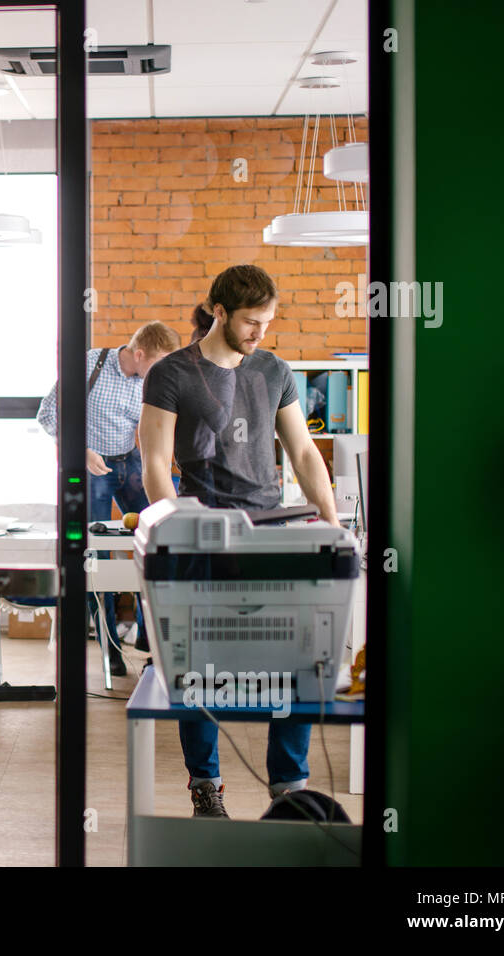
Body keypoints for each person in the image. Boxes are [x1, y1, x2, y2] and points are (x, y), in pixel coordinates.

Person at [138, 264, 339, 818]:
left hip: (270, 534)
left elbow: (302, 453)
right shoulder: (172, 373)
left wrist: (330, 521)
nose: (260, 334)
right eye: (252, 322)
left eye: (268, 323)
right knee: (197, 669)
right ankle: (206, 785)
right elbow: (155, 460)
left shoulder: (273, 369)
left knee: (299, 660)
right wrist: (173, 525)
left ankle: (288, 786)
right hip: (201, 535)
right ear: (219, 312)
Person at [36, 321, 181, 676]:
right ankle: (109, 648)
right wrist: (81, 450)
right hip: (90, 463)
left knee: (162, 535)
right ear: (139, 354)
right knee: (94, 553)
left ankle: (151, 638)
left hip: (129, 460)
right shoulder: (89, 365)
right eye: (159, 364)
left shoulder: (152, 382)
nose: (163, 373)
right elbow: (48, 414)